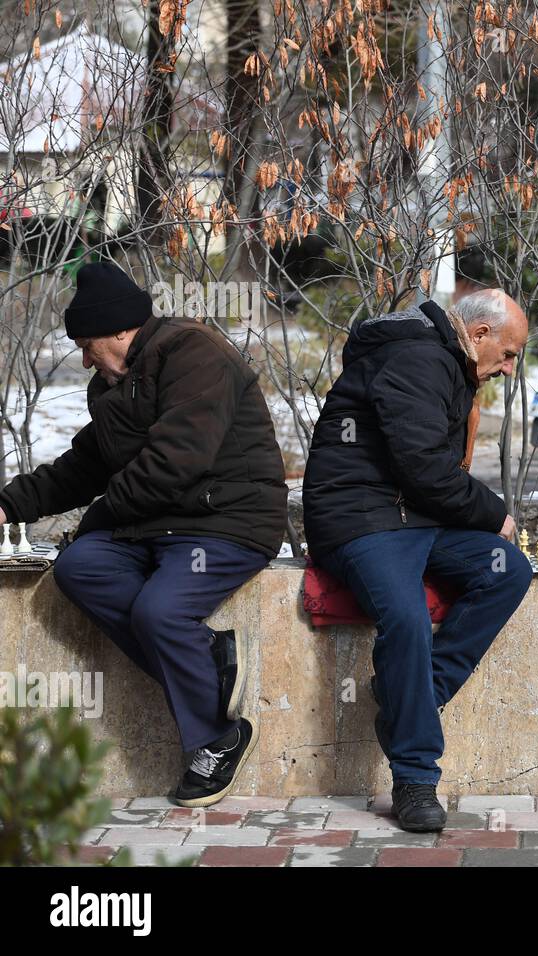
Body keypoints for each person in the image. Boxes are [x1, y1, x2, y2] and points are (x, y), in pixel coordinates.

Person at [0, 261, 288, 807]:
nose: (84, 358)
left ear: (120, 330)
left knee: (159, 611)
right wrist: (8, 506)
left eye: (87, 344)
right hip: (155, 526)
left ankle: (213, 738)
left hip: (227, 520)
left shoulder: (197, 354)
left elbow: (175, 461)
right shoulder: (112, 384)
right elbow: (84, 466)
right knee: (80, 566)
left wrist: (101, 515)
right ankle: (209, 659)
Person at [302, 289, 533, 832]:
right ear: (477, 335)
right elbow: (425, 469)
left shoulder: (444, 359)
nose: (508, 367)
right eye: (507, 353)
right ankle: (415, 777)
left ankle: (408, 697)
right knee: (406, 620)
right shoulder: (417, 358)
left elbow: (425, 477)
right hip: (360, 517)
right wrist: (493, 513)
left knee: (507, 570)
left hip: (412, 518)